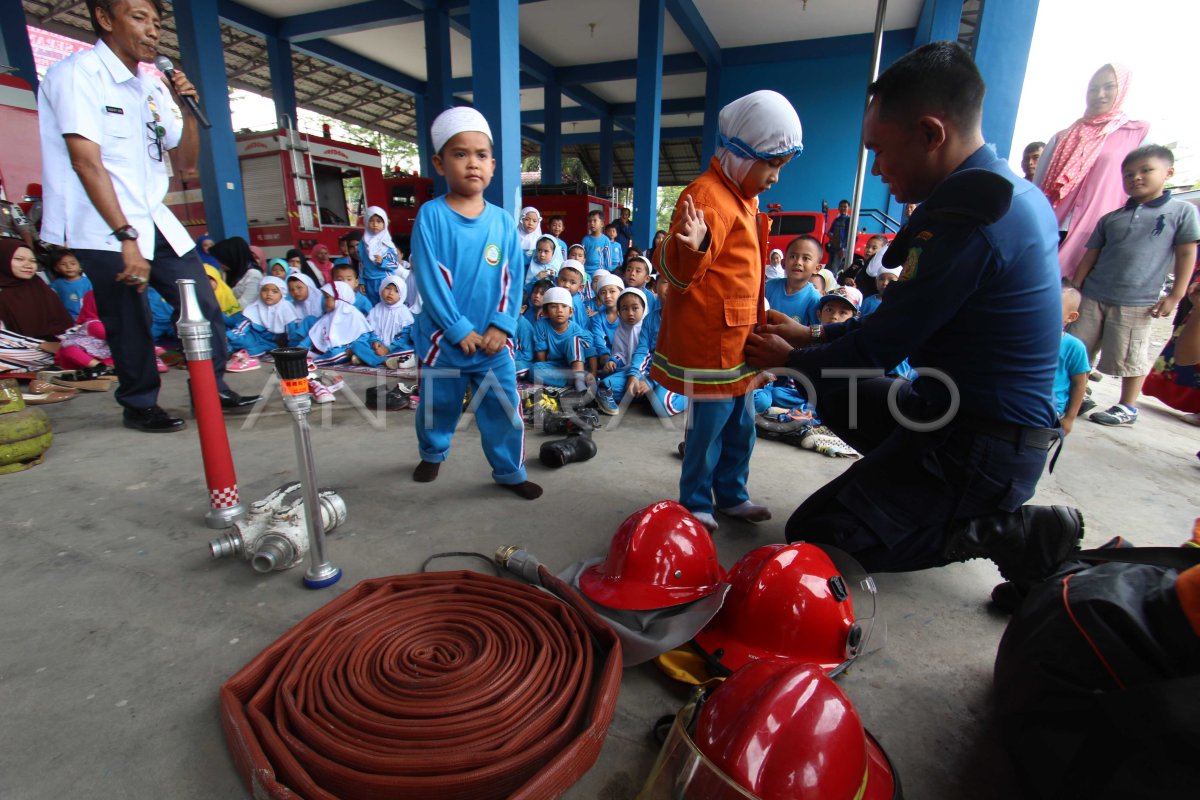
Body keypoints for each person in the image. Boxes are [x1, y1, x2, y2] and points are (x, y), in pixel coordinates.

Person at [744, 42, 1082, 596]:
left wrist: (794, 360)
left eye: (880, 150)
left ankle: (1004, 530)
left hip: (984, 445)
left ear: (930, 134)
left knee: (817, 537)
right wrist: (810, 335)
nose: (877, 168)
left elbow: (882, 343)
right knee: (842, 390)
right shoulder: (1008, 194)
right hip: (949, 413)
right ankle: (906, 495)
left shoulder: (976, 220)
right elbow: (898, 319)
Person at [36, 0, 258, 431]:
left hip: (153, 215)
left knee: (202, 298)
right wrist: (126, 238)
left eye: (157, 23)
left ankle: (211, 389)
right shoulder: (78, 75)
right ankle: (139, 404)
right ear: (105, 19)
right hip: (101, 222)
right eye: (139, 18)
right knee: (129, 315)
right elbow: (85, 162)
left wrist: (186, 108)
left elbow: (187, 165)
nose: (153, 31)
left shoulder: (153, 87)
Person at [653, 89, 803, 532]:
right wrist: (694, 249)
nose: (775, 177)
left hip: (740, 338)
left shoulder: (742, 196)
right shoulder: (706, 198)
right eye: (771, 165)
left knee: (743, 426)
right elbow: (679, 273)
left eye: (780, 167)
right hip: (711, 343)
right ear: (741, 153)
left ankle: (732, 494)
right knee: (708, 429)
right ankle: (696, 500)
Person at [410, 106, 540, 500]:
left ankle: (511, 472)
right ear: (439, 162)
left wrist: (503, 324)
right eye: (460, 154)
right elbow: (430, 281)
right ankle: (433, 452)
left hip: (494, 344)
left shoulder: (502, 221)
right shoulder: (430, 216)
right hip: (444, 342)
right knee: (438, 405)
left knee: (503, 409)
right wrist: (457, 328)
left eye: (481, 155)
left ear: (494, 165)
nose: (472, 164)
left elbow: (513, 277)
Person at [1068, 145, 1199, 427]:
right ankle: (1077, 394)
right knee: (1078, 345)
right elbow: (1091, 255)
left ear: (1169, 173)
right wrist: (1076, 287)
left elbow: (1187, 254)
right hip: (1093, 294)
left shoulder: (1181, 212)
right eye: (1128, 174)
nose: (1136, 177)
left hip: (1138, 300)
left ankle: (1127, 406)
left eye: (1145, 170)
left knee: (1130, 354)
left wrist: (1175, 296)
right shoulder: (1111, 218)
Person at [1034, 64, 1150, 279]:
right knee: (1042, 288)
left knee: (1081, 298)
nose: (1100, 94)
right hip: (1053, 226)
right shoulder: (1062, 137)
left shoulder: (1136, 133)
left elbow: (1147, 185)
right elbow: (1037, 188)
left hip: (1100, 233)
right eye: (1093, 89)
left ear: (1122, 89)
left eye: (1109, 87)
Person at [530, 286, 589, 391]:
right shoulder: (541, 326)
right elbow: (541, 355)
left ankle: (579, 379)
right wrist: (545, 370)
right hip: (554, 366)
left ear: (571, 312)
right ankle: (571, 380)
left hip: (575, 365)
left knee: (573, 340)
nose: (559, 310)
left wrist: (593, 371)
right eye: (553, 307)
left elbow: (590, 351)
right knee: (535, 369)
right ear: (546, 312)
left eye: (564, 306)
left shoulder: (575, 328)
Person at [226, 276, 298, 357]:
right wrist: (231, 336)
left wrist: (293, 349)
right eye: (265, 290)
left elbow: (292, 333)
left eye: (274, 291)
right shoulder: (254, 308)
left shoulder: (286, 308)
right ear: (260, 292)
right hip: (253, 337)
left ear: (282, 294)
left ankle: (244, 350)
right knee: (240, 340)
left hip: (273, 343)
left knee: (252, 349)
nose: (269, 294)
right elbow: (242, 327)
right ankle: (230, 349)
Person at [1055, 284, 1090, 435]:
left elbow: (1079, 385)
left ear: (1071, 316)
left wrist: (1069, 418)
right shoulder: (1026, 336)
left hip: (1050, 408)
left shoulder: (1074, 347)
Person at [765, 235, 822, 324]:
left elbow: (816, 333)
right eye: (793, 256)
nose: (798, 262)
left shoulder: (814, 299)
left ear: (817, 268)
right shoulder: (769, 287)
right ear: (783, 263)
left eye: (806, 258)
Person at [358, 206, 400, 304]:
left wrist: (382, 262)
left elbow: (395, 264)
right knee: (372, 306)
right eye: (371, 221)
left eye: (379, 221)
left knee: (386, 304)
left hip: (384, 280)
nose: (375, 224)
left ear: (384, 223)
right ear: (366, 222)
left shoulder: (387, 244)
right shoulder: (363, 243)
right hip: (368, 281)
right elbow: (362, 263)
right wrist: (362, 282)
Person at [210, 236, 259, 309]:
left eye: (220, 260)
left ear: (230, 258)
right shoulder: (230, 273)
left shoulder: (254, 275)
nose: (219, 263)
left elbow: (245, 304)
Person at [48, 249, 93, 318]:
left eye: (73, 263)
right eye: (63, 264)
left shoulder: (85, 282)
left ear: (80, 266)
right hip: (65, 318)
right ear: (56, 268)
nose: (69, 267)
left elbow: (91, 301)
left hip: (84, 317)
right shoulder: (57, 284)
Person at [581, 210, 612, 278]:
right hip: (585, 271)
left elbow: (608, 258)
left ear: (602, 224)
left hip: (600, 272)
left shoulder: (606, 240)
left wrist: (608, 272)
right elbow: (581, 255)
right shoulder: (585, 240)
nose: (592, 223)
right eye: (589, 221)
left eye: (595, 220)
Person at [827, 199, 851, 273]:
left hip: (841, 249)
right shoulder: (836, 220)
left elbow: (851, 237)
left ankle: (833, 283)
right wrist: (830, 235)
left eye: (845, 207)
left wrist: (843, 248)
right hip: (833, 247)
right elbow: (830, 231)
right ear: (838, 208)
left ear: (848, 208)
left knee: (835, 267)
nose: (843, 208)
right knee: (829, 267)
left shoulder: (850, 220)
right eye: (841, 207)